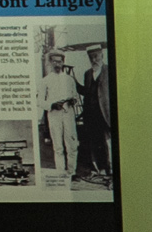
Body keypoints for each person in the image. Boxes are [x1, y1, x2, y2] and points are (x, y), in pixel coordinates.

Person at [39, 50, 79, 176]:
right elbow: (39, 101)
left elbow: (75, 96)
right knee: (58, 146)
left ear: (63, 62)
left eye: (59, 61)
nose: (57, 64)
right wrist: (52, 105)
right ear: (50, 63)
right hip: (54, 115)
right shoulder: (45, 81)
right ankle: (61, 173)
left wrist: (73, 100)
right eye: (55, 62)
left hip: (68, 113)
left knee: (72, 144)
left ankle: (72, 172)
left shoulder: (69, 79)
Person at [77, 45, 112, 181]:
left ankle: (111, 169)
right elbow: (87, 92)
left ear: (102, 55)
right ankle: (100, 169)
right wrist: (74, 84)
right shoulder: (87, 74)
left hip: (105, 113)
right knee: (96, 143)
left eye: (96, 56)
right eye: (91, 57)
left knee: (108, 142)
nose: (94, 60)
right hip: (91, 115)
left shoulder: (109, 70)